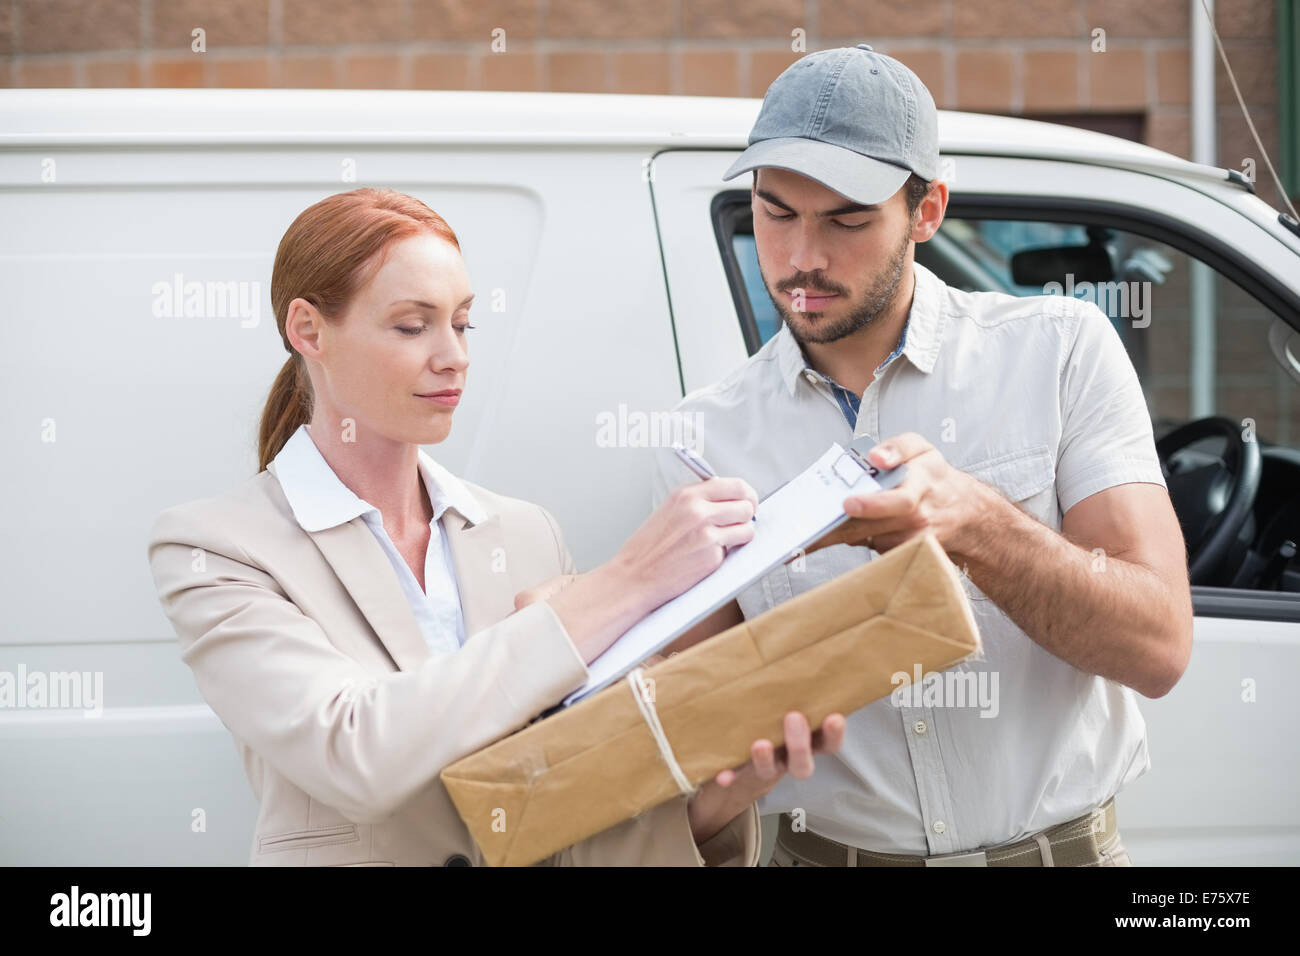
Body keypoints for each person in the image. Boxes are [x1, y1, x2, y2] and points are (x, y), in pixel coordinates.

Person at [147, 187, 845, 867]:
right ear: (308, 330)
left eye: (463, 322)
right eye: (412, 325)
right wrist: (627, 583)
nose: (454, 355)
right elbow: (356, 752)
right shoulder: (217, 548)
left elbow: (566, 811)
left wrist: (714, 804)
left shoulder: (523, 532)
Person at [651, 45, 1193, 867]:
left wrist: (976, 525)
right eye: (776, 212)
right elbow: (700, 736)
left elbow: (1157, 648)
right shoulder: (704, 439)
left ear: (929, 209)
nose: (802, 259)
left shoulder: (1060, 351)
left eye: (847, 219)